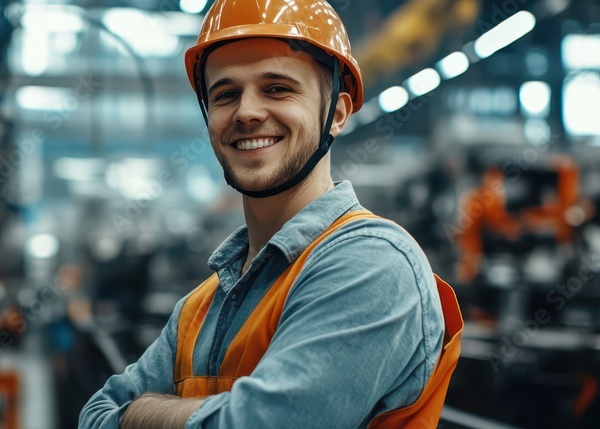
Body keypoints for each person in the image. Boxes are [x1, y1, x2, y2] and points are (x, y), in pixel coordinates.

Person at [79, 0, 463, 428]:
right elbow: (94, 415)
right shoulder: (201, 305)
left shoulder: (373, 265)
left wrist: (137, 414)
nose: (246, 112)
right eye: (225, 95)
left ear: (336, 113)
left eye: (277, 88)